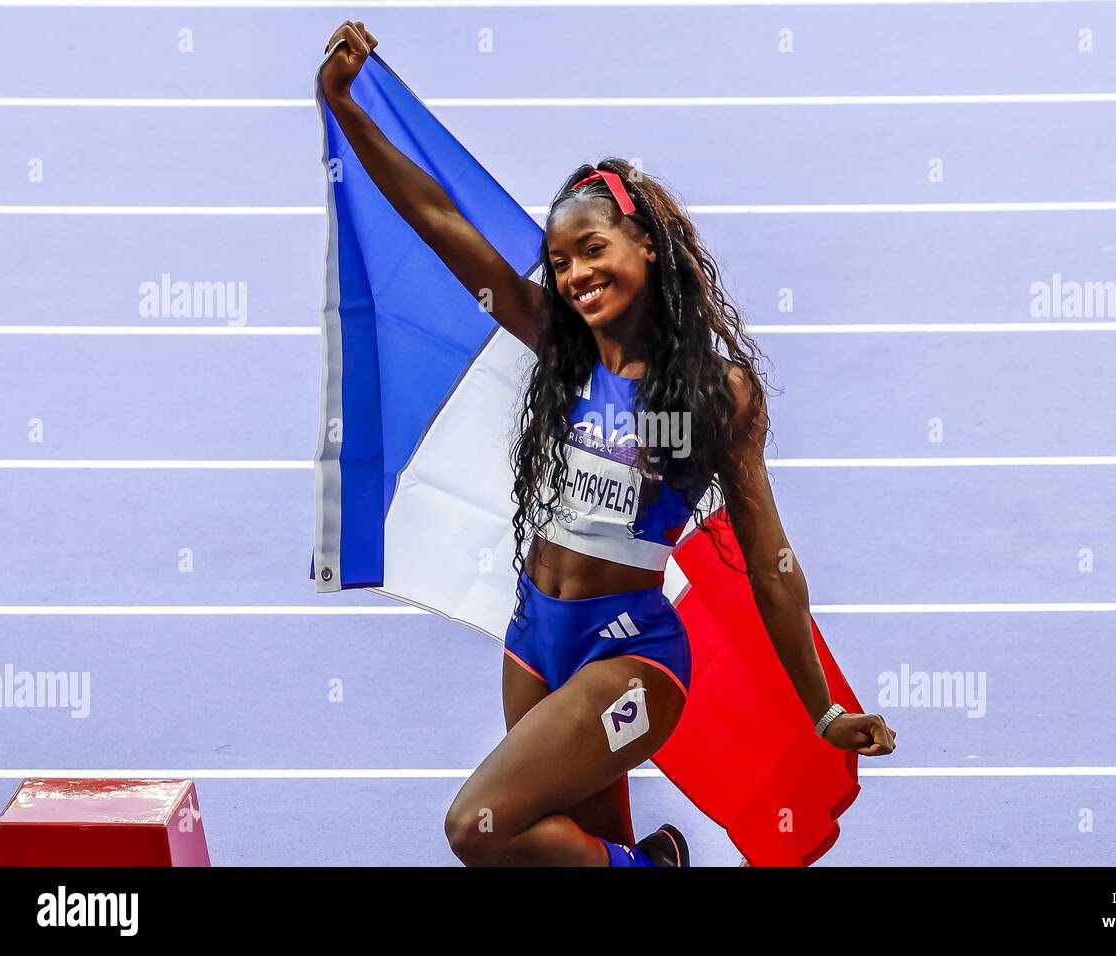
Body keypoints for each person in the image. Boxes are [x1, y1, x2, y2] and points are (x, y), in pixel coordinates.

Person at [319, 20, 897, 867]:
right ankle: (647, 856)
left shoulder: (718, 394)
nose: (574, 275)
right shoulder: (559, 344)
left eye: (594, 250)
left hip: (630, 653)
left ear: (649, 248)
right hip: (535, 634)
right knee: (578, 851)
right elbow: (438, 217)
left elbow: (772, 564)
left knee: (479, 826)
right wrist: (345, 107)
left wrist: (820, 713)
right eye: (559, 262)